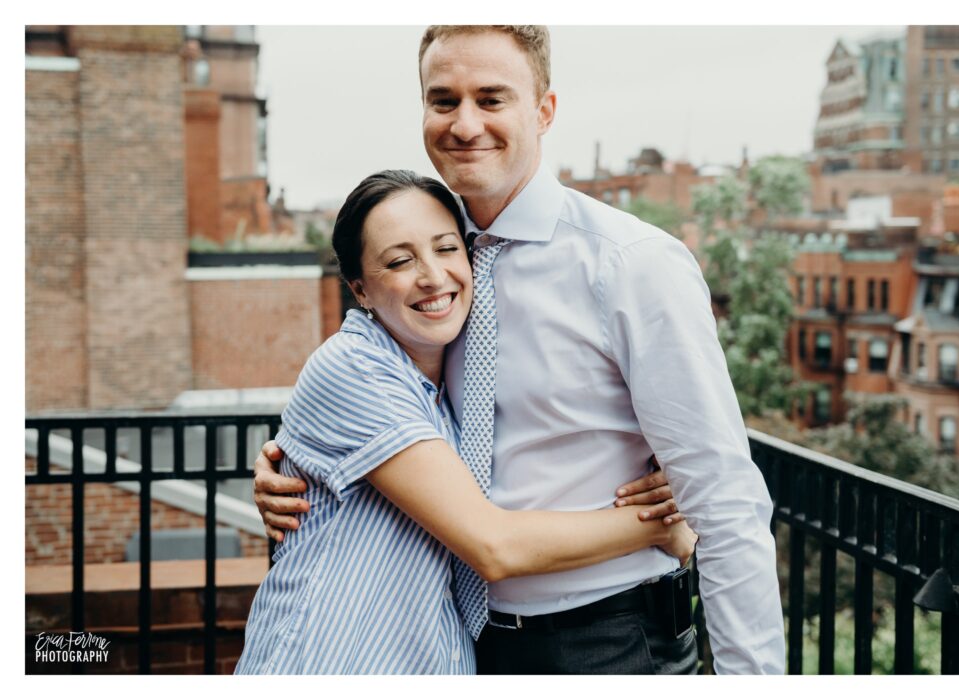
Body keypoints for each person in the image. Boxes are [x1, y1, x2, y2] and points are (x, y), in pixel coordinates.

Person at [255, 25, 785, 674]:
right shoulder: (445, 268)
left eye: (492, 98)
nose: (465, 122)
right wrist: (298, 464)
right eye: (443, 100)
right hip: (463, 642)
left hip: (605, 643)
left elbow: (726, 500)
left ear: (544, 110)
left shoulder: (630, 264)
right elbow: (393, 409)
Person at [235, 169, 697, 675]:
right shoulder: (354, 368)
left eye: (446, 249)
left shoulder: (449, 372)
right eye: (400, 261)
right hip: (331, 661)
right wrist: (660, 528)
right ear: (360, 290)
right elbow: (491, 546)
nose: (432, 275)